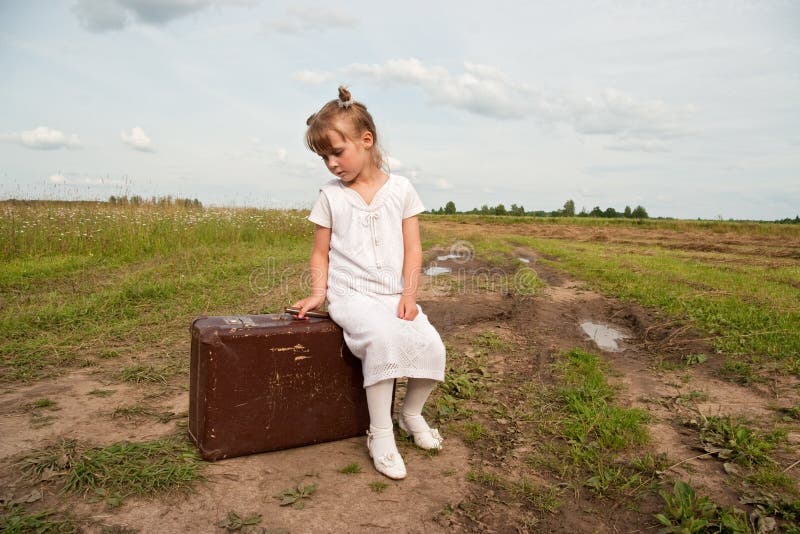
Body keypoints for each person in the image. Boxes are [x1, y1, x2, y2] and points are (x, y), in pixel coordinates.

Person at [291, 86, 446, 480]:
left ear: (366, 140)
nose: (330, 163)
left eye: (336, 152)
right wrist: (318, 293)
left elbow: (413, 249)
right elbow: (320, 253)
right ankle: (380, 433)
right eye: (323, 156)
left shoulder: (402, 189)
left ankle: (411, 414)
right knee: (381, 339)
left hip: (394, 293)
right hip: (352, 295)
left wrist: (409, 296)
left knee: (430, 345)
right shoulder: (330, 196)